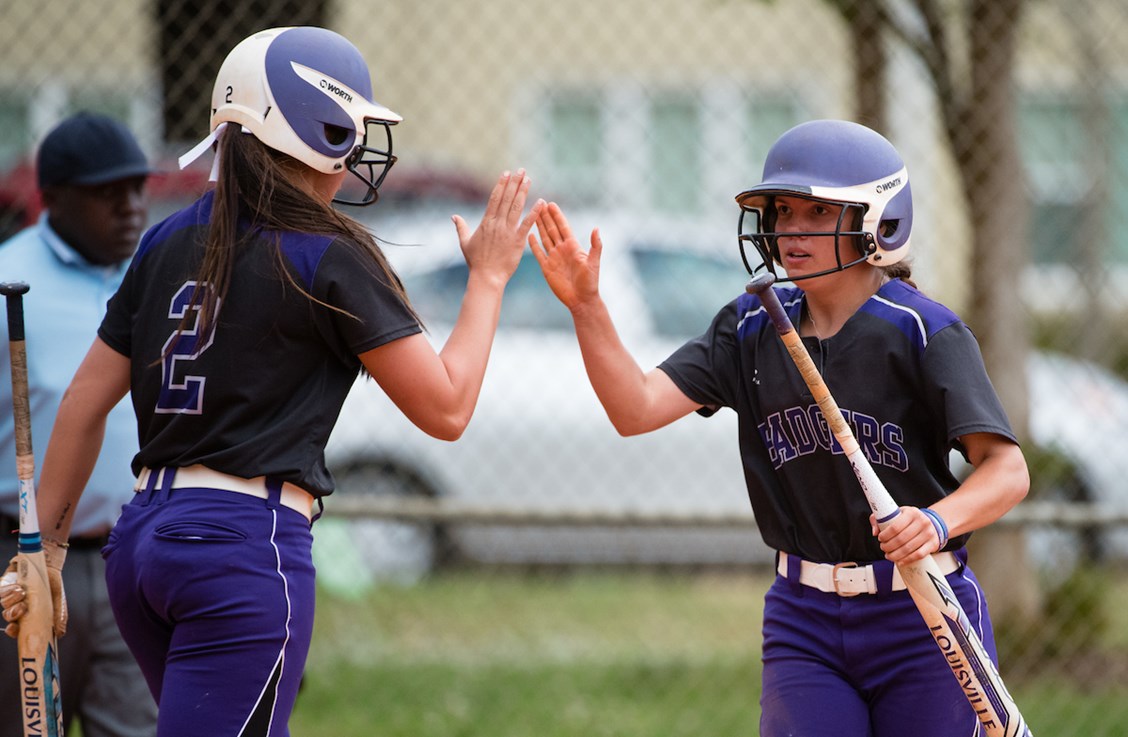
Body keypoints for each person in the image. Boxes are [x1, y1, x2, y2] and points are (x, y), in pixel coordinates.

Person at [1, 25, 542, 737]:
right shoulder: (328, 252)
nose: (356, 153)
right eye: (348, 128)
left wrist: (47, 557)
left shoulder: (165, 238)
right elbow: (446, 406)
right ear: (313, 127)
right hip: (240, 545)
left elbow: (81, 402)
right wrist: (489, 280)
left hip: (141, 544)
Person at [528, 119, 1029, 737]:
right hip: (804, 616)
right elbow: (635, 408)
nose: (792, 229)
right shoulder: (750, 325)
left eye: (818, 212)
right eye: (782, 211)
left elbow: (1007, 470)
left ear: (880, 221)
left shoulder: (922, 330)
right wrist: (587, 308)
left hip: (920, 611)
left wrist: (934, 521)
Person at [0, 112, 159, 737]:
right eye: (106, 193)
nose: (130, 207)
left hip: (132, 557)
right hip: (24, 559)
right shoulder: (9, 282)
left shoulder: (157, 273)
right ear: (53, 199)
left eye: (137, 188)